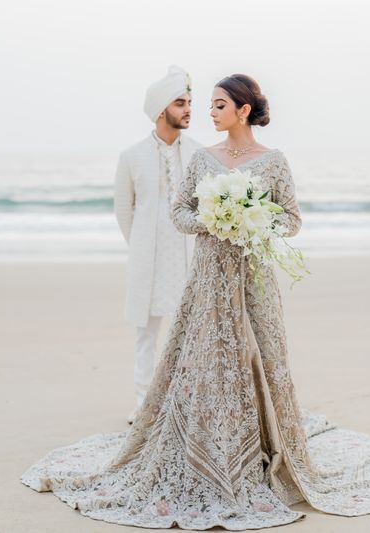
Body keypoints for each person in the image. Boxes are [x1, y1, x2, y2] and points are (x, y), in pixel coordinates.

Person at [21, 74, 370, 529]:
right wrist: (215, 220)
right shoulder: (203, 160)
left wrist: (251, 222)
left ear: (243, 110)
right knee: (209, 360)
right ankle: (203, 450)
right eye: (208, 105)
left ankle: (264, 452)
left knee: (260, 354)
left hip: (254, 276)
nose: (210, 112)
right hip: (208, 277)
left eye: (219, 105)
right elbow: (179, 214)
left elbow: (292, 221)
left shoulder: (274, 162)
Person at [113, 65, 203, 424]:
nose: (188, 110)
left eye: (189, 102)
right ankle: (144, 404)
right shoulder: (131, 157)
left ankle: (188, 403)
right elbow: (124, 212)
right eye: (180, 103)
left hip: (189, 256)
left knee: (191, 333)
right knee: (147, 335)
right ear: (161, 108)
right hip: (148, 259)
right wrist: (141, 247)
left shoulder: (199, 153)